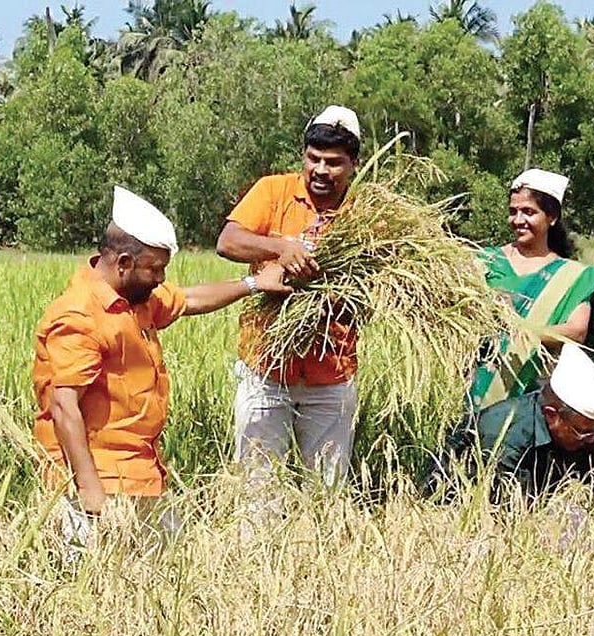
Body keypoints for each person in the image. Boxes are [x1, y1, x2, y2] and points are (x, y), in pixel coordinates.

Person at [33, 186, 291, 545]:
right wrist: (90, 491)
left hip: (142, 474)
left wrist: (253, 283)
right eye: (155, 269)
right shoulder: (79, 315)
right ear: (123, 263)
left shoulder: (136, 300)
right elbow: (64, 408)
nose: (161, 279)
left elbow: (189, 299)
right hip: (99, 482)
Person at [215, 105, 361, 487]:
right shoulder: (273, 191)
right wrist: (280, 249)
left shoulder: (364, 214)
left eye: (333, 163)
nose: (321, 171)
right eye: (313, 159)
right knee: (257, 487)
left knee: (327, 489)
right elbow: (229, 242)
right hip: (265, 367)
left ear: (353, 164)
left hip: (331, 372)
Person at [469, 169, 594, 412]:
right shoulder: (486, 261)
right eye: (513, 212)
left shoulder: (573, 276)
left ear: (552, 217)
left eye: (529, 212)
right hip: (477, 389)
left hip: (534, 398)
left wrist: (518, 330)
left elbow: (576, 331)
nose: (518, 220)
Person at [429, 343, 594, 503]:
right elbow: (507, 508)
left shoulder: (588, 429)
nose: (591, 440)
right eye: (582, 433)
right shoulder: (504, 433)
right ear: (552, 415)